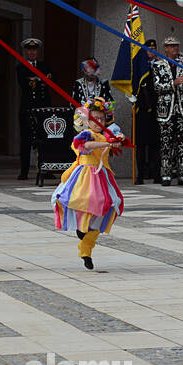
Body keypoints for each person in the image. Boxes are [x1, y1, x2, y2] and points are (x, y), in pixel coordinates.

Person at [51, 97, 126, 269]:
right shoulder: (86, 134)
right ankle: (82, 230)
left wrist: (118, 140)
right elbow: (87, 146)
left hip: (103, 175)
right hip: (85, 174)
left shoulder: (108, 133)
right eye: (95, 119)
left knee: (111, 205)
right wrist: (108, 143)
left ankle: (86, 246)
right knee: (88, 201)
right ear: (87, 120)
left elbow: (118, 138)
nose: (98, 122)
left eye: (101, 118)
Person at [152, 34, 183, 186]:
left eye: (177, 45)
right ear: (165, 48)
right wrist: (174, 83)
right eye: (172, 46)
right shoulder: (158, 64)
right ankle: (166, 175)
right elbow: (157, 87)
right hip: (166, 110)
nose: (175, 48)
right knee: (166, 143)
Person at [128, 39, 162, 184]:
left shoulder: (160, 66)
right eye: (149, 48)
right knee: (140, 144)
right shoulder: (138, 67)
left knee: (155, 144)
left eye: (154, 48)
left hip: (157, 110)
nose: (151, 51)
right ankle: (140, 174)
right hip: (141, 110)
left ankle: (156, 174)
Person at [16, 38, 48, 181]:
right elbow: (25, 84)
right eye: (29, 50)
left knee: (43, 141)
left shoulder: (44, 66)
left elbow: (49, 82)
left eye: (34, 50)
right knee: (26, 141)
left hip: (42, 109)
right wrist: (37, 80)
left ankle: (44, 169)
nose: (32, 52)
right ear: (25, 51)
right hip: (27, 109)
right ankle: (24, 171)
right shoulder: (21, 67)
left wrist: (36, 80)